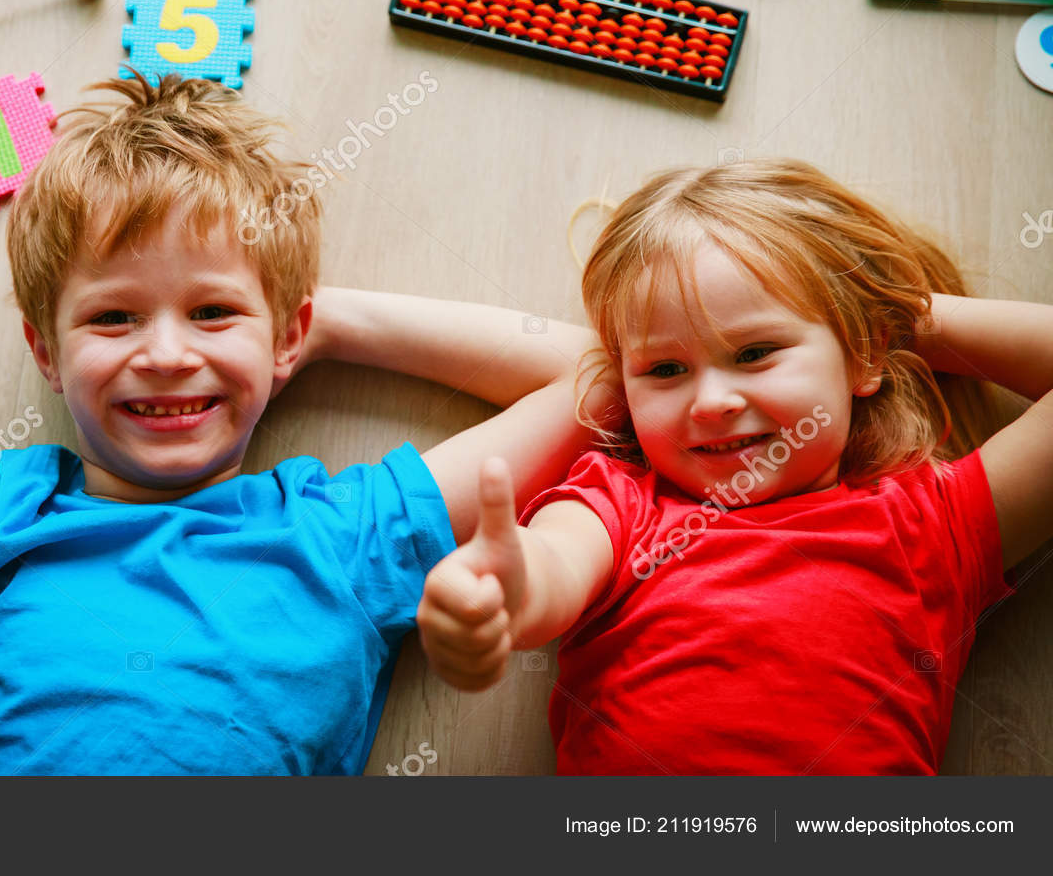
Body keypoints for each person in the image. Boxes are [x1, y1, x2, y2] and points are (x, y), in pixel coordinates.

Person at [0, 72, 597, 774]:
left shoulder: (343, 535)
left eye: (209, 311)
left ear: (287, 337)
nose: (167, 352)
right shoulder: (7, 499)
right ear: (46, 351)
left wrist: (312, 324)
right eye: (112, 317)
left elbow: (595, 376)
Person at [418, 157, 1051, 774]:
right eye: (665, 369)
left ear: (862, 355)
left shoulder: (935, 523)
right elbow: (554, 562)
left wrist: (885, 312)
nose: (713, 402)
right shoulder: (621, 506)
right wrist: (507, 590)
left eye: (754, 352)